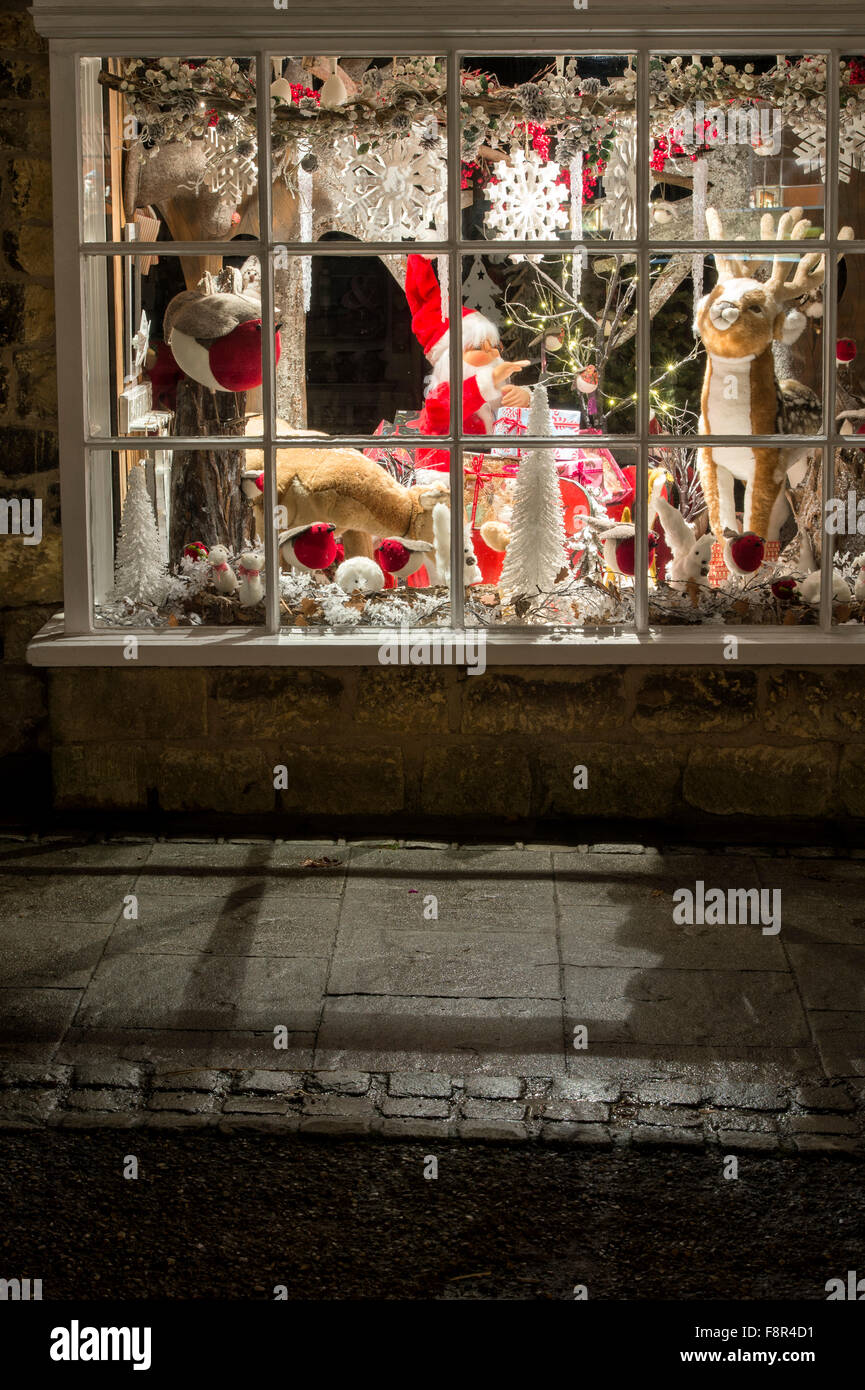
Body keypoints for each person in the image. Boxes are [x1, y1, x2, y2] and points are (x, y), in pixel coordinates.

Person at [405, 254, 532, 470]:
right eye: (477, 348)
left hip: (487, 484)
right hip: (446, 488)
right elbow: (451, 404)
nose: (490, 355)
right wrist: (490, 379)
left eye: (492, 347)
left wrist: (524, 398)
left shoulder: (492, 399)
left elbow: (514, 423)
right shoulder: (439, 400)